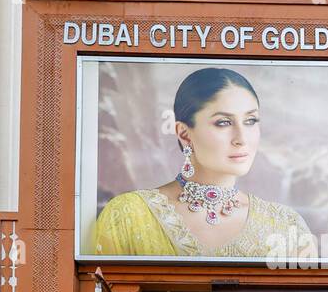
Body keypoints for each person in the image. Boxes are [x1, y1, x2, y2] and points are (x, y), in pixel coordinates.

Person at [93, 67, 315, 259]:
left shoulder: (286, 226)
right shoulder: (128, 216)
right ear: (184, 133)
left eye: (250, 121)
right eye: (223, 122)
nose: (241, 138)